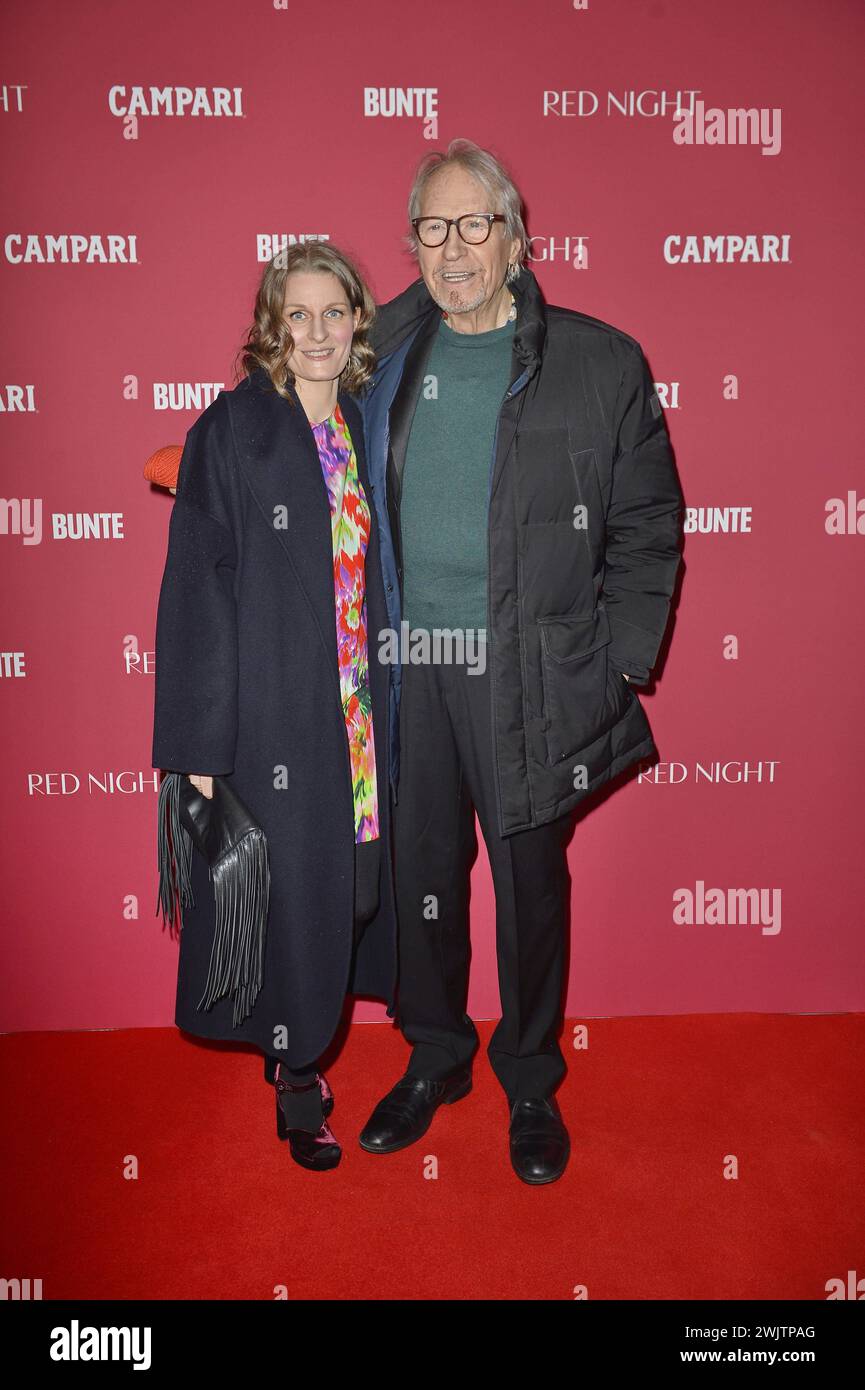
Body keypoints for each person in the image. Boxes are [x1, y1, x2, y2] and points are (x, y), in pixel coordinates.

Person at [356, 138, 684, 1184]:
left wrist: (621, 660)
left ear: (514, 233)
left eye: (473, 224)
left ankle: (530, 1078)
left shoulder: (599, 362)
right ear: (412, 242)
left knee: (528, 886)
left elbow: (647, 522)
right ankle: (437, 1054)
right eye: (431, 228)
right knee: (419, 877)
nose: (452, 250)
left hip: (531, 670)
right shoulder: (376, 350)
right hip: (409, 661)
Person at [151, 241, 398, 1172]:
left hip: (363, 712)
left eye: (334, 311)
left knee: (359, 889)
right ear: (272, 327)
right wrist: (200, 748)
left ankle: (307, 1042)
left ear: (357, 322)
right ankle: (297, 1081)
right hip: (275, 718)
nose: (318, 331)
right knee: (293, 897)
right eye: (298, 314)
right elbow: (196, 594)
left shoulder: (369, 425)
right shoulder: (235, 430)